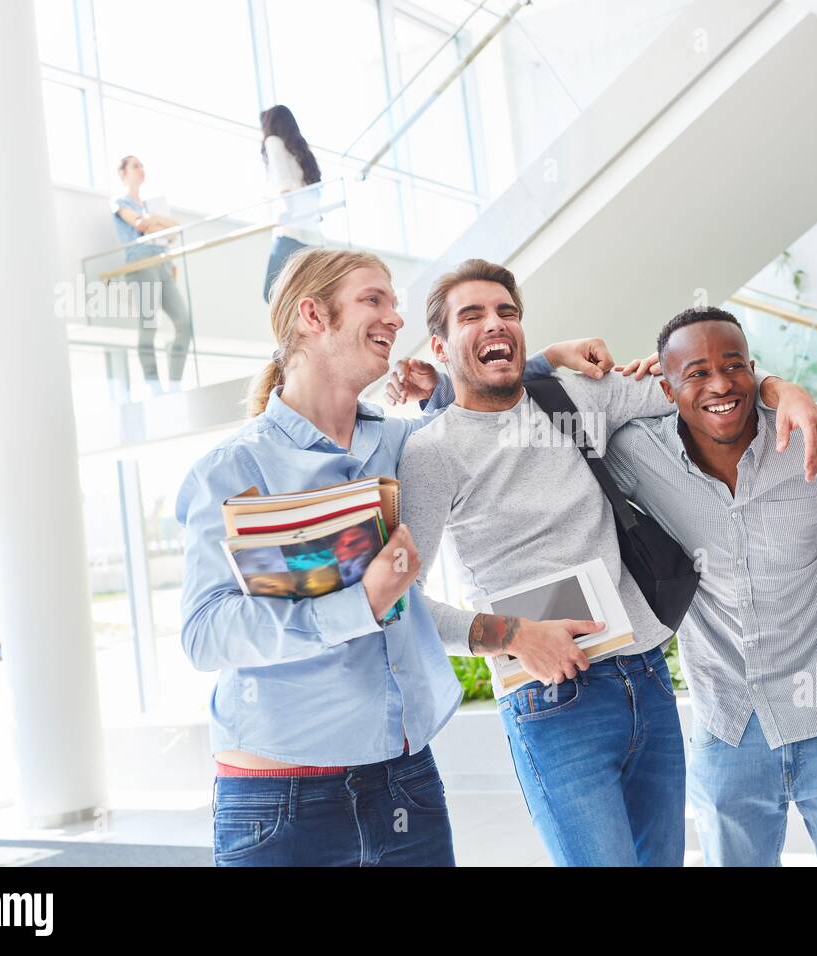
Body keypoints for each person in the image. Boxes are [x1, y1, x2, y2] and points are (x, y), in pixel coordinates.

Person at [175, 247, 626, 867]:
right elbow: (205, 636)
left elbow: (480, 406)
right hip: (280, 799)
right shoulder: (232, 470)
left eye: (394, 302)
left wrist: (547, 359)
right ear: (313, 315)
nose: (395, 317)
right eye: (374, 300)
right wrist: (360, 603)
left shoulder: (403, 442)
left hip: (403, 778)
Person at [392, 258, 817, 867]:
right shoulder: (432, 452)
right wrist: (509, 635)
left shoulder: (568, 397)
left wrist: (783, 388)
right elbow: (395, 598)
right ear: (440, 346)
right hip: (552, 701)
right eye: (473, 316)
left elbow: (706, 384)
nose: (495, 323)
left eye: (506, 312)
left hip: (645, 679)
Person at [602, 306, 817, 866]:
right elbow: (543, 414)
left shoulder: (816, 442)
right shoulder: (636, 453)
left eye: (734, 367)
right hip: (729, 723)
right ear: (665, 387)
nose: (721, 385)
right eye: (696, 373)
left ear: (754, 370)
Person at [110, 155, 193, 395]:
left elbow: (174, 229)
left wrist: (152, 219)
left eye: (142, 165)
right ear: (123, 173)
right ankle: (153, 385)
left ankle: (175, 384)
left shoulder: (152, 205)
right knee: (149, 324)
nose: (141, 169)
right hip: (140, 263)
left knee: (183, 323)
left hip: (163, 263)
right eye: (135, 166)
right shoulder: (119, 201)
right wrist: (155, 223)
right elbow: (138, 224)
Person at [260, 105, 324, 302]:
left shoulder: (272, 142)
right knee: (306, 295)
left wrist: (286, 211)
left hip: (290, 232)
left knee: (272, 294)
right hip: (312, 235)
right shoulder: (302, 153)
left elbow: (283, 183)